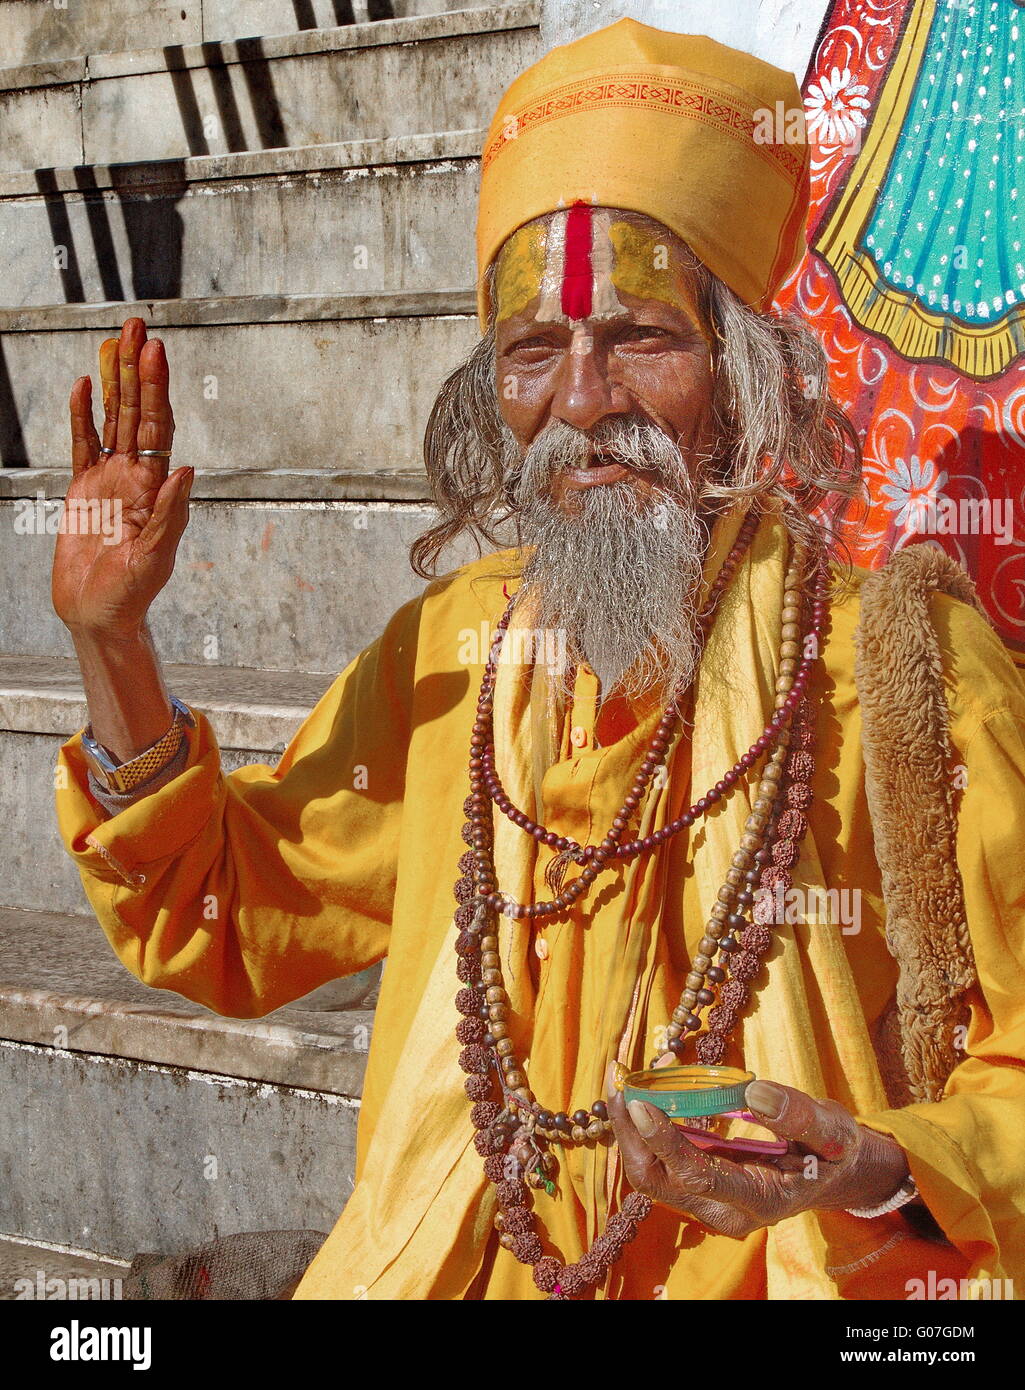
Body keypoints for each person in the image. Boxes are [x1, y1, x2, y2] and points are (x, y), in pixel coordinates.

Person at [53, 20, 1025, 1300]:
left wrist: (873, 1168)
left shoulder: (903, 669)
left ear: (745, 373)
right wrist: (113, 642)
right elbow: (236, 912)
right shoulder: (455, 648)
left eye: (640, 340)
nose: (581, 404)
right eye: (531, 352)